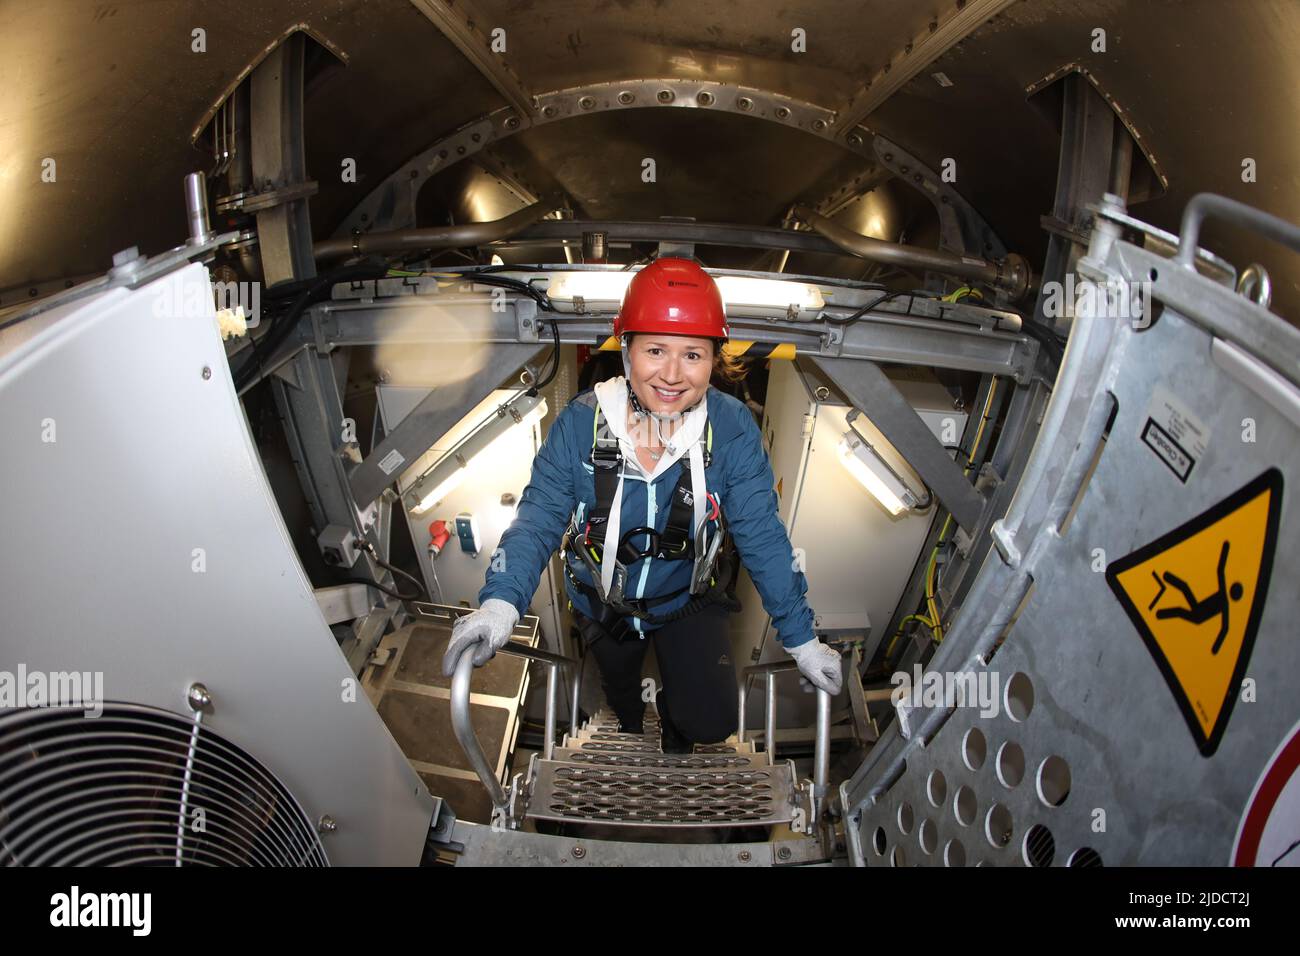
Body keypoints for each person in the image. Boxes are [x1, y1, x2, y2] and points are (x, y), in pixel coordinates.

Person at [442, 257, 843, 753]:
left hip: (685, 602)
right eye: (656, 350)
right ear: (627, 350)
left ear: (714, 359)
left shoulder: (732, 428)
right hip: (602, 605)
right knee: (619, 690)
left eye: (693, 355)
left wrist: (802, 639)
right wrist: (500, 602)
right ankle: (629, 729)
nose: (673, 375)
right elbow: (538, 519)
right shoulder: (581, 424)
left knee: (710, 720)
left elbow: (762, 535)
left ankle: (678, 733)